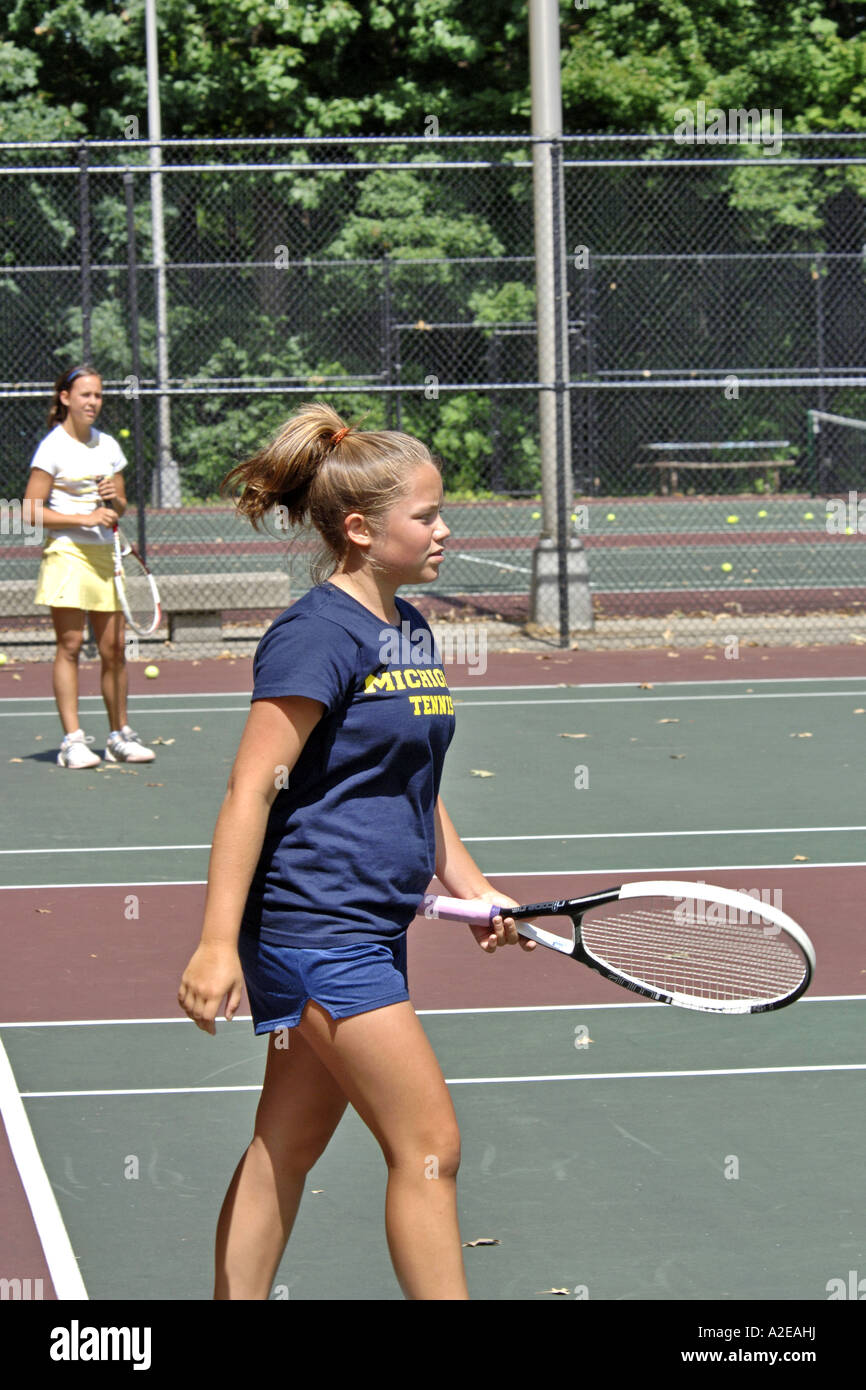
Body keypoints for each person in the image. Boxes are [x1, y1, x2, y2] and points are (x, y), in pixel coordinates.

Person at [177, 401, 534, 1301]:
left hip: (366, 928)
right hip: (315, 930)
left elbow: (410, 780)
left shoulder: (407, 626)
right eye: (427, 515)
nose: (445, 529)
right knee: (429, 1147)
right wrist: (218, 943)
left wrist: (475, 886)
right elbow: (250, 787)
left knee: (285, 1144)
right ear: (362, 529)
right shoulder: (314, 636)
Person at [22, 365, 155, 768]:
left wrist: (114, 499)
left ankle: (119, 736)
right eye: (85, 395)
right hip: (66, 553)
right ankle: (73, 742)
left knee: (114, 650)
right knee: (71, 646)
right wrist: (82, 519)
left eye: (98, 395)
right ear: (65, 398)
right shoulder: (52, 447)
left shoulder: (108, 446)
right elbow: (29, 511)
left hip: (103, 555)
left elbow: (119, 506)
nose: (93, 402)